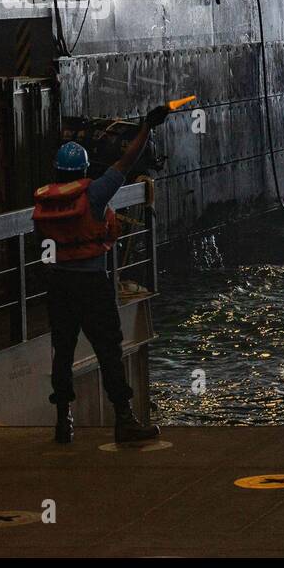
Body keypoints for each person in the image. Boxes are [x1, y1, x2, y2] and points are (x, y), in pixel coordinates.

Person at [33, 104, 171, 445]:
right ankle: (124, 420)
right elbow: (125, 164)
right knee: (109, 349)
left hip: (58, 285)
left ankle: (63, 422)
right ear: (82, 170)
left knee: (62, 352)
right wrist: (146, 127)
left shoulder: (44, 200)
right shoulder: (93, 195)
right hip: (91, 284)